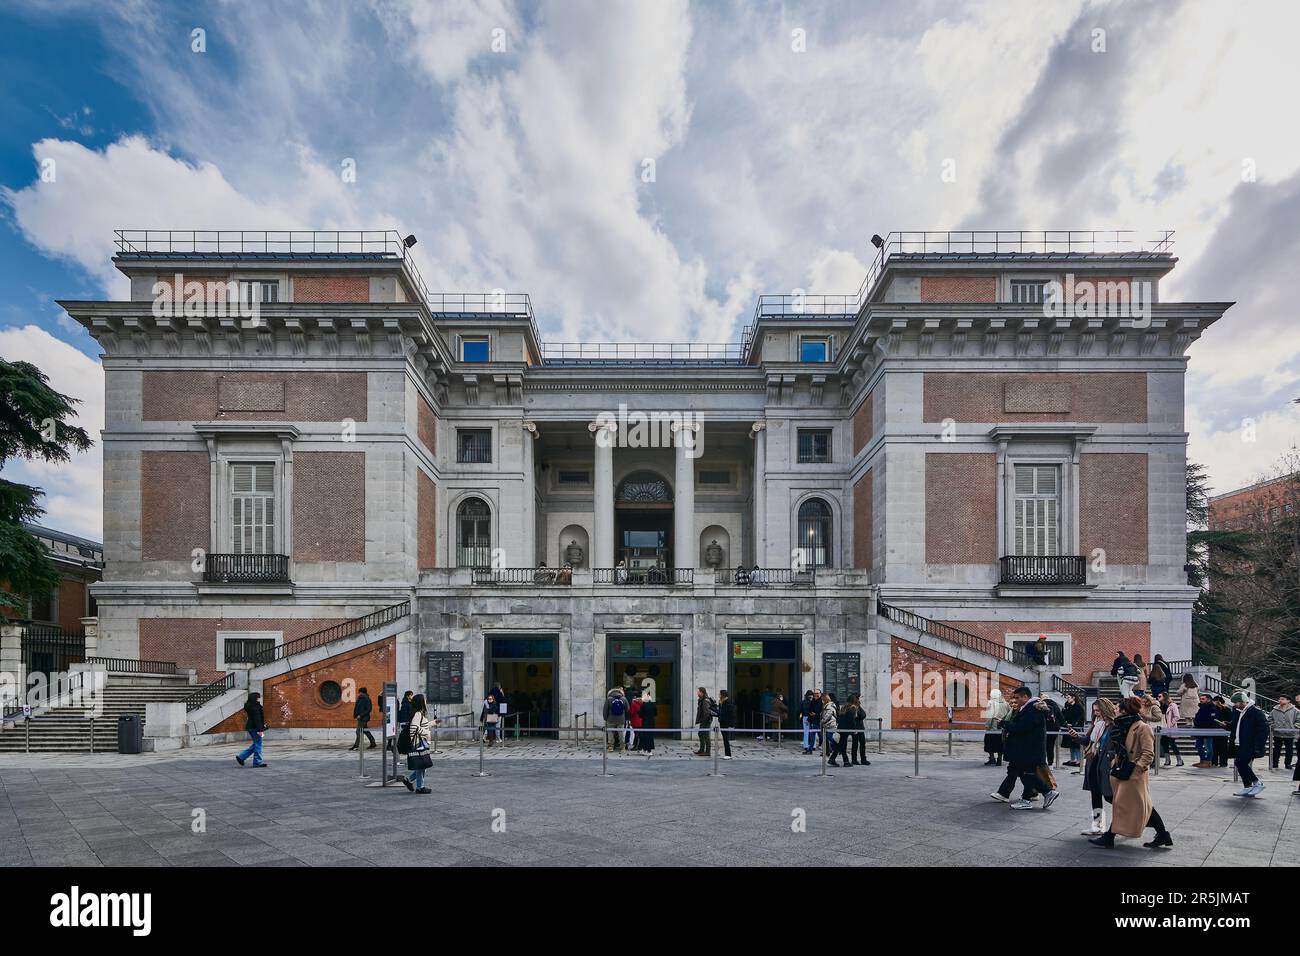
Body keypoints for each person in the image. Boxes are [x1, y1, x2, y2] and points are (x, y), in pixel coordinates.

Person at [1090, 696, 1173, 849]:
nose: (1115, 710)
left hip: (1133, 774)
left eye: (1117, 708)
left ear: (1124, 710)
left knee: (1127, 804)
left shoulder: (1142, 727)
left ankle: (1109, 837)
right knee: (1134, 805)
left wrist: (1137, 768)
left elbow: (1148, 753)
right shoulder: (1121, 726)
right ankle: (1162, 834)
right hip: (1122, 771)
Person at [991, 686, 1058, 810]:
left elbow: (1021, 727)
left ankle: (1040, 794)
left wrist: (1003, 723)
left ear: (1025, 697)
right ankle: (1042, 794)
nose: (1015, 700)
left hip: (1030, 749)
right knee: (1026, 773)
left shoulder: (1032, 709)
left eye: (1017, 697)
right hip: (1026, 749)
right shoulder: (1028, 708)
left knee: (1027, 773)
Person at [1077, 698, 1117, 834]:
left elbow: (1115, 745)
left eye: (1099, 710)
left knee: (1108, 796)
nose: (1097, 713)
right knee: (1095, 794)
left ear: (1106, 709)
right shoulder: (1097, 724)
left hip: (1105, 764)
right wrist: (1075, 736)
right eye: (1094, 711)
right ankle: (1098, 825)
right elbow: (1088, 740)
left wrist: (1110, 755)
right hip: (1094, 762)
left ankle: (1128, 814)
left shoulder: (1112, 725)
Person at [1231, 691, 1270, 797]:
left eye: (1236, 703)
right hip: (1240, 742)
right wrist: (1226, 725)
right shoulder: (1239, 711)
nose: (1234, 705)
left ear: (1243, 702)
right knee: (1240, 763)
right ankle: (1247, 786)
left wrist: (1258, 746)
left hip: (1250, 744)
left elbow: (1263, 731)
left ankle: (1256, 783)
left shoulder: (1256, 712)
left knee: (1241, 763)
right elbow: (1236, 726)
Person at [401, 693, 434, 794]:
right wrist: (427, 732)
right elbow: (414, 728)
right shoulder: (418, 714)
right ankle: (420, 787)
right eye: (424, 700)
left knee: (422, 765)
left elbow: (421, 725)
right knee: (422, 766)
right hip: (418, 743)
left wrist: (433, 723)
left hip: (420, 742)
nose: (425, 701)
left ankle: (409, 780)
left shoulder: (419, 713)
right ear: (420, 702)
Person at [235, 691, 268, 768]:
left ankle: (241, 757)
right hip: (255, 728)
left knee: (256, 744)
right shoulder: (255, 706)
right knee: (258, 745)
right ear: (255, 698)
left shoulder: (249, 705)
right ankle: (257, 762)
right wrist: (260, 729)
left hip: (251, 727)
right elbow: (257, 719)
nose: (259, 699)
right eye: (258, 697)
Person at [982, 688, 1010, 766]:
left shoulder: (991, 703)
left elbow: (989, 716)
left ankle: (992, 759)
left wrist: (987, 725)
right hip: (1002, 728)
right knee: (1000, 744)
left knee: (989, 743)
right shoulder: (1006, 703)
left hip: (992, 728)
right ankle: (999, 759)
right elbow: (1010, 713)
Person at [1269, 694, 1296, 770]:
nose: (1280, 700)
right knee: (1276, 749)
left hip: (1289, 733)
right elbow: (1269, 719)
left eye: (1283, 699)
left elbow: (1298, 720)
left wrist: (1294, 727)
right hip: (1278, 733)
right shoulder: (1274, 710)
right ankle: (1275, 764)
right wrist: (1273, 726)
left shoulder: (1294, 710)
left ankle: (1288, 764)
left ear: (1288, 700)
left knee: (1289, 750)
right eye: (1280, 699)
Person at [1157, 692, 1184, 767]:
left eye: (1160, 696)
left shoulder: (1172, 705)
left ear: (1164, 697)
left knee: (1172, 744)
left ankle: (1179, 760)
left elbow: (1177, 716)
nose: (1158, 697)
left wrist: (1170, 724)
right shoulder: (1160, 705)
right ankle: (1167, 759)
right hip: (1163, 727)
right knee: (1164, 743)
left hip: (1170, 727)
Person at [842, 694, 869, 766]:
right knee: (855, 744)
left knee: (862, 744)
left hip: (860, 728)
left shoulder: (858, 706)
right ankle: (854, 759)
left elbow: (863, 715)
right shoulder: (852, 707)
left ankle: (863, 759)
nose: (859, 700)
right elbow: (856, 717)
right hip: (855, 728)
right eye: (857, 698)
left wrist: (859, 714)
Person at [1192, 694, 1218, 767]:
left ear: (1208, 699)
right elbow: (1198, 717)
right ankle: (1202, 760)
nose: (1201, 700)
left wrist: (1201, 723)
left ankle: (1208, 761)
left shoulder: (1212, 708)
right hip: (1199, 730)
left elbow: (1212, 720)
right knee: (1198, 745)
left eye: (1203, 699)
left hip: (1208, 730)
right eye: (1200, 699)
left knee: (1208, 746)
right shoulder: (1201, 707)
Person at [1061, 693, 1086, 767]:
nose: (1067, 699)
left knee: (1077, 744)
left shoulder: (1078, 707)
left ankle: (1078, 760)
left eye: (1068, 697)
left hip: (1076, 728)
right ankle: (1073, 759)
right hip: (1069, 727)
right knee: (1071, 744)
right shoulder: (1067, 706)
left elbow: (1078, 717)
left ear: (1073, 698)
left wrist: (1073, 724)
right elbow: (1064, 714)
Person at [349, 686, 377, 750]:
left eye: (360, 692)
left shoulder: (366, 699)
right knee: (365, 731)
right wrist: (356, 715)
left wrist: (361, 715)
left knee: (358, 731)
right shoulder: (360, 698)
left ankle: (356, 746)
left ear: (362, 692)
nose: (359, 693)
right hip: (360, 718)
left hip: (363, 718)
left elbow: (368, 709)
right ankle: (373, 743)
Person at [604, 687, 629, 751]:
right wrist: (625, 717)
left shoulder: (609, 699)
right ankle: (622, 747)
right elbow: (628, 709)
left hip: (610, 719)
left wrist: (606, 718)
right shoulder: (623, 698)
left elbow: (605, 710)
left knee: (610, 732)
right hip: (621, 719)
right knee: (621, 732)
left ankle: (610, 747)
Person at [1041, 694, 1063, 766]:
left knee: (1043, 746)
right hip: (1054, 728)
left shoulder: (1042, 705)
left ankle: (1042, 763)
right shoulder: (1055, 705)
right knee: (1051, 746)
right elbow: (1060, 716)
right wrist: (1064, 724)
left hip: (1044, 728)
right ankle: (1051, 764)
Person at [694, 687, 716, 756]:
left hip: (706, 721)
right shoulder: (702, 700)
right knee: (701, 734)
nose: (697, 693)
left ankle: (707, 752)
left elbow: (706, 713)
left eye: (698, 692)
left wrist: (704, 721)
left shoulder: (705, 700)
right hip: (704, 720)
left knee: (706, 735)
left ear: (702, 692)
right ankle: (701, 750)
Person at [820, 691, 840, 766]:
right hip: (828, 726)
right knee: (831, 741)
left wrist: (822, 722)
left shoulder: (829, 707)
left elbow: (827, 717)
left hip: (830, 726)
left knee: (833, 741)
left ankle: (837, 751)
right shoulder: (828, 706)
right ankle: (833, 755)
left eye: (822, 700)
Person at [718, 689, 736, 759]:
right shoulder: (721, 702)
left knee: (726, 739)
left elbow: (732, 714)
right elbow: (720, 712)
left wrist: (731, 725)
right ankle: (727, 754)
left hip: (726, 723)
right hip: (722, 722)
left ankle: (728, 755)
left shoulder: (728, 702)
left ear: (722, 695)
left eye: (719, 694)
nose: (719, 695)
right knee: (725, 738)